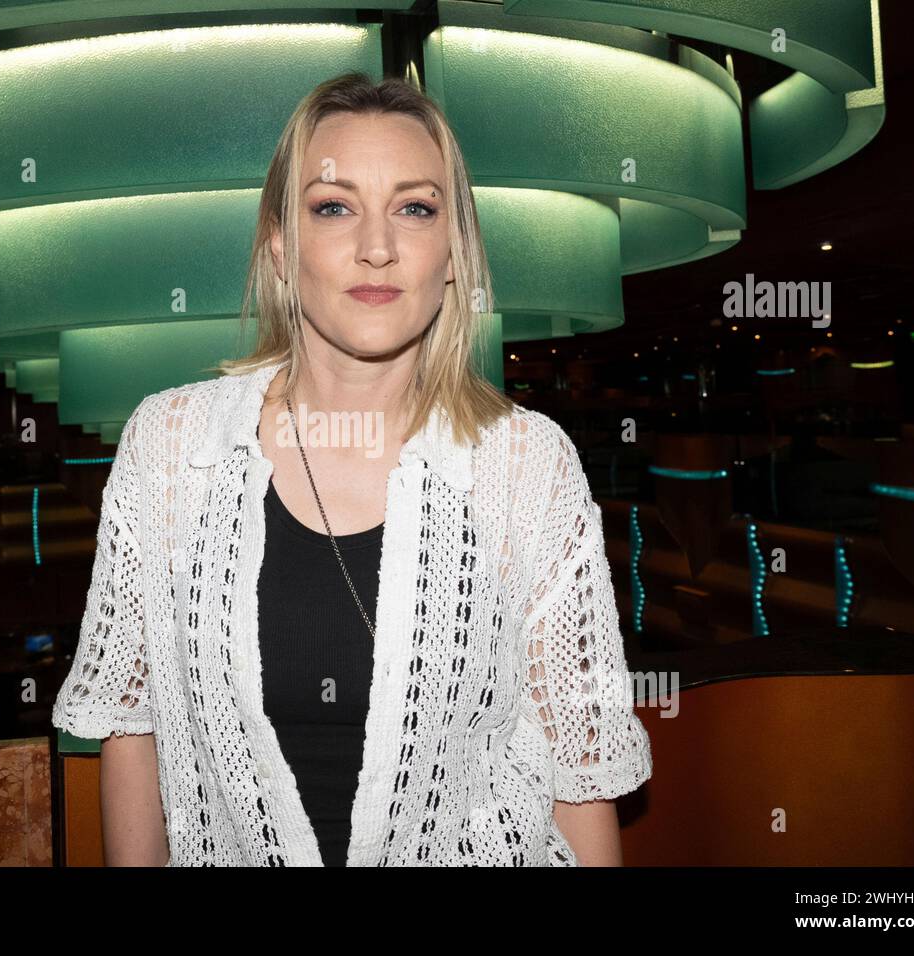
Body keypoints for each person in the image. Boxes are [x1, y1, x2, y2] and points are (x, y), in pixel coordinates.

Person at [52, 71, 652, 866]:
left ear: (452, 254)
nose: (378, 246)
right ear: (279, 247)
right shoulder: (169, 447)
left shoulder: (529, 465)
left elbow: (580, 772)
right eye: (334, 207)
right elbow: (135, 725)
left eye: (416, 208)